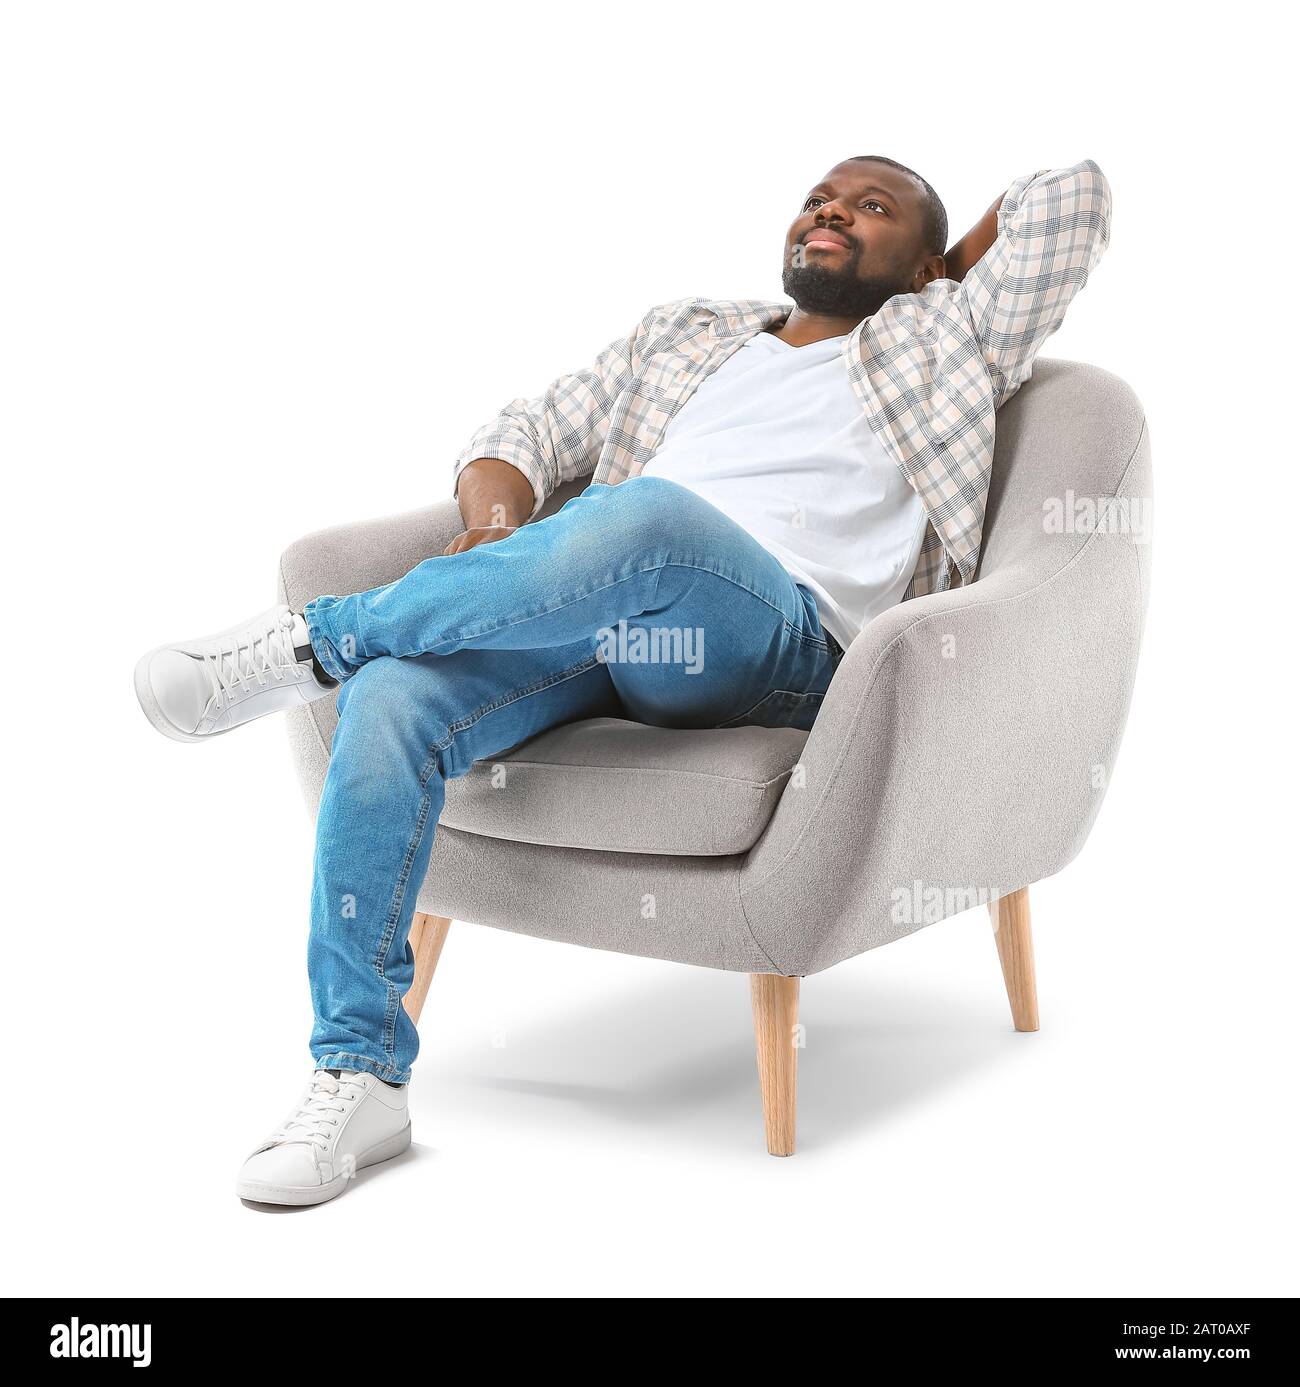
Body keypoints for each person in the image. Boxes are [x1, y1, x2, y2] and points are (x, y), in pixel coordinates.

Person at [134, 155, 1110, 1205]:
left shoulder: (948, 336)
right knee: (391, 700)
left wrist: (944, 274)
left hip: (779, 645)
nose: (830, 210)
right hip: (612, 626)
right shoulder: (686, 334)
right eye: (820, 198)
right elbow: (526, 431)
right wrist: (501, 527)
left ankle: (313, 642)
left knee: (649, 519)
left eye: (871, 208)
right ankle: (360, 1075)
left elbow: (1073, 199)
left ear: (925, 258)